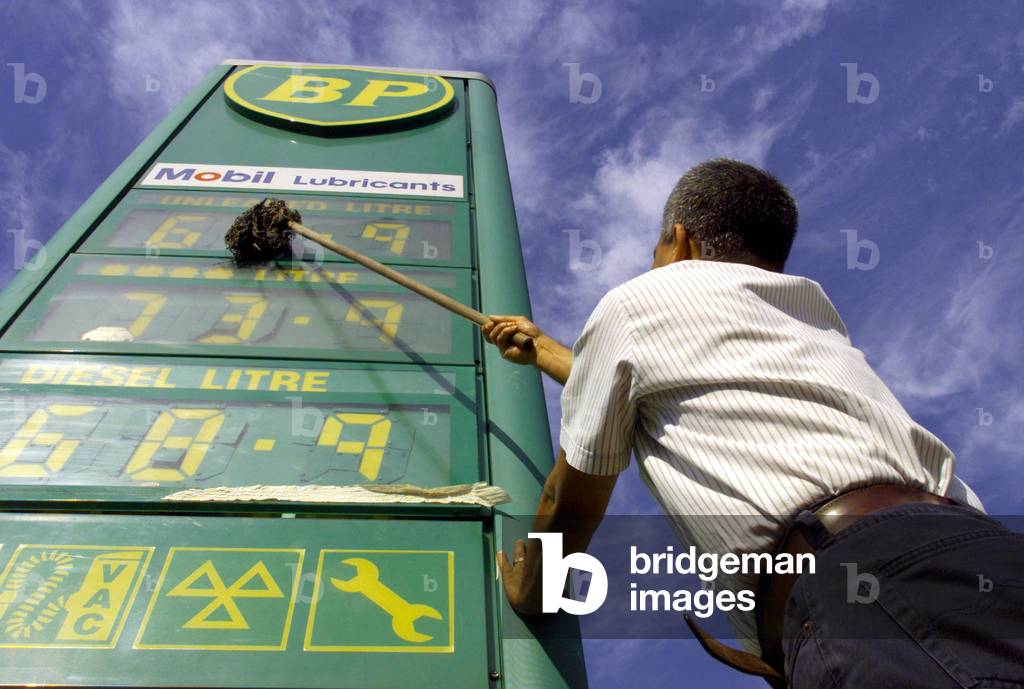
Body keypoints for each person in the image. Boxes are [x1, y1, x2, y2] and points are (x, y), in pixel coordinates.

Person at [484, 158, 1024, 688]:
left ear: (681, 240)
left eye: (656, 253)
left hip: (863, 584)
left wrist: (533, 587)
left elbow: (572, 498)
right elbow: (662, 381)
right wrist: (546, 350)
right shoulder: (806, 310)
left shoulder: (637, 302)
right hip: (982, 552)